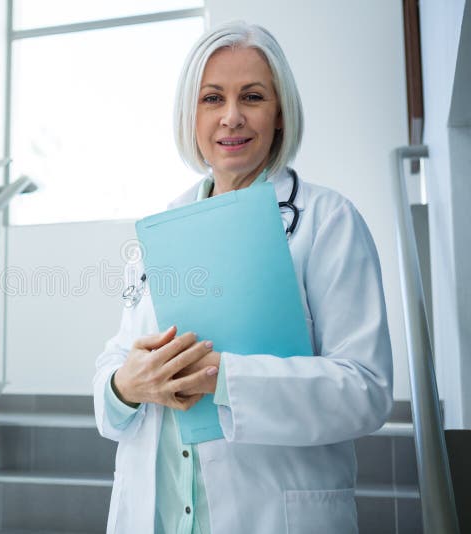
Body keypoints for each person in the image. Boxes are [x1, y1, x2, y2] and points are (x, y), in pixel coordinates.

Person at [93, 21, 393, 534]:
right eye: (213, 98)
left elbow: (366, 389)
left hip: (270, 513)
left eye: (252, 96)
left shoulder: (328, 221)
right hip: (158, 513)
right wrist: (124, 385)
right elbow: (117, 359)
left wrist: (224, 378)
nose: (231, 117)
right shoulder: (160, 230)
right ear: (192, 116)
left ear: (280, 114)